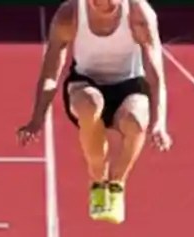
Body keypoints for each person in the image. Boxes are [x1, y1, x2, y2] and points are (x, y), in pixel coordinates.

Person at [17, 0, 172, 224]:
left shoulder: (138, 13)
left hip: (129, 83)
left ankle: (117, 183)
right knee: (91, 103)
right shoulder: (69, 15)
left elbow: (155, 75)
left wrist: (160, 122)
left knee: (136, 120)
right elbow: (51, 72)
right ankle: (98, 179)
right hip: (85, 83)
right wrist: (36, 119)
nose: (108, 4)